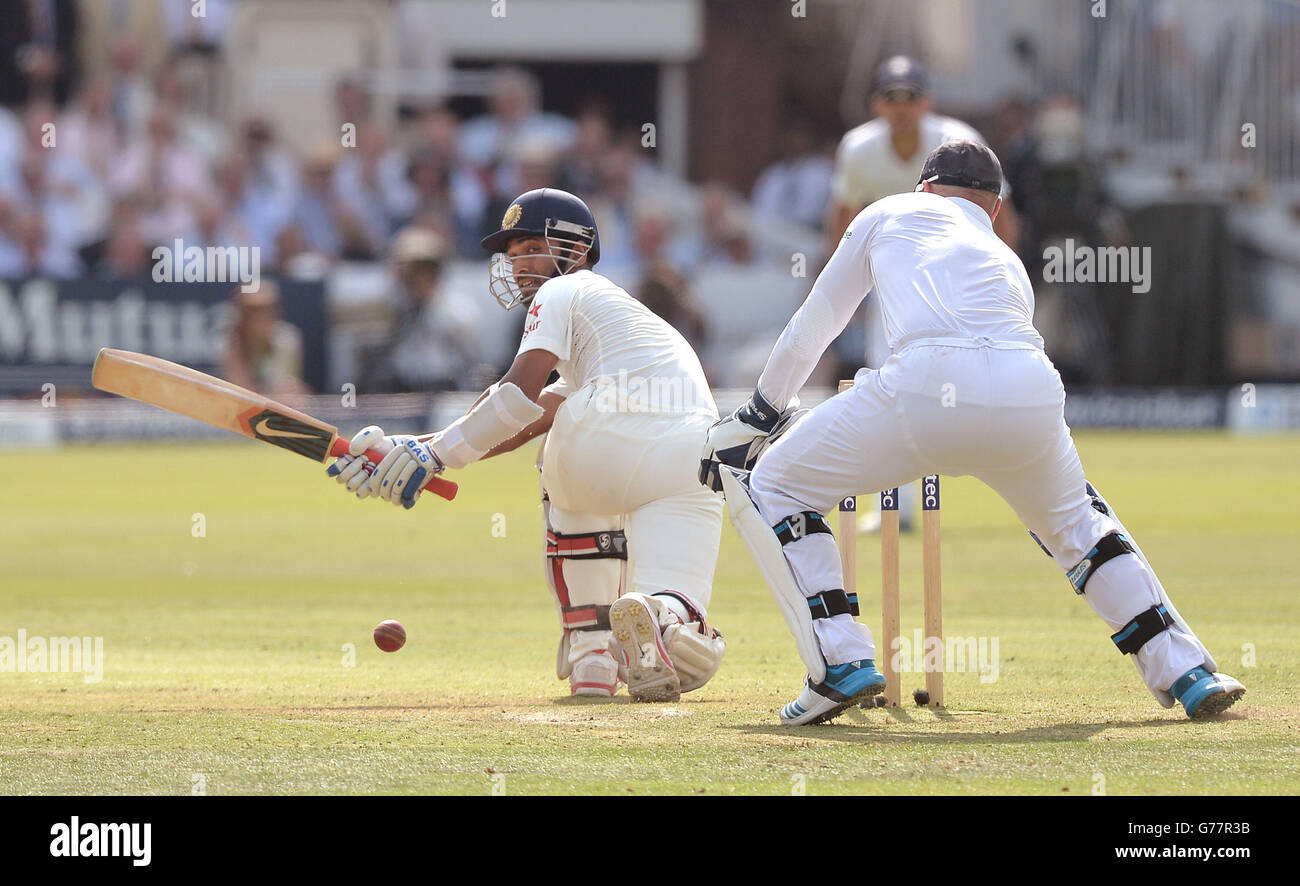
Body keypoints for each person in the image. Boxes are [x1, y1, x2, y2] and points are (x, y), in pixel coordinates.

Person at [700, 141, 1245, 726]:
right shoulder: (1001, 252)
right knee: (1080, 527)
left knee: (776, 481)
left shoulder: (888, 211)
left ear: (926, 188)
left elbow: (817, 324)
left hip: (925, 386)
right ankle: (1186, 670)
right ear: (991, 206)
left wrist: (759, 415)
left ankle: (841, 660)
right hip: (1030, 388)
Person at [328, 188, 727, 702]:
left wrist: (432, 456)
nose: (518, 267)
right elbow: (522, 419)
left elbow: (518, 396)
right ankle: (666, 620)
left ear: (576, 250)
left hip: (606, 447)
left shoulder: (562, 293)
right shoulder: (626, 330)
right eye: (511, 256)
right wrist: (411, 448)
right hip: (697, 455)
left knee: (568, 456)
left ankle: (594, 654)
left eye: (531, 249)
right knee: (674, 592)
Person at [827, 56, 1021, 532]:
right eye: (891, 99)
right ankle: (899, 505)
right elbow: (843, 216)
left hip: (956, 278)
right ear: (876, 104)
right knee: (886, 380)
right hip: (890, 283)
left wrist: (1001, 276)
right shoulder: (859, 148)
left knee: (947, 381)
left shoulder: (958, 143)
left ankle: (1006, 475)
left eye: (910, 98)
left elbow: (1001, 209)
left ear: (926, 102)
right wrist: (843, 285)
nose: (901, 109)